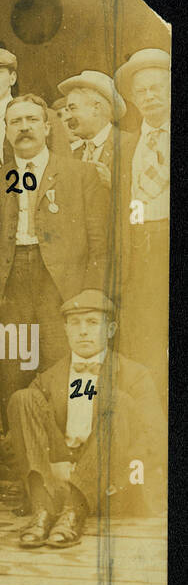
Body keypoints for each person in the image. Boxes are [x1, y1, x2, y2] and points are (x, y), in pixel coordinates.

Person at [8, 291, 162, 549]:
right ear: (66, 329)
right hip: (57, 483)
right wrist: (53, 466)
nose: (83, 331)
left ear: (111, 329)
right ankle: (43, 511)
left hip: (110, 486)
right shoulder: (48, 378)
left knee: (118, 401)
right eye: (75, 323)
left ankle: (73, 512)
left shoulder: (136, 375)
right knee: (22, 398)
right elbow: (24, 436)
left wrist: (98, 477)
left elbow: (155, 440)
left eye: (92, 323)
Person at [0, 93, 110, 400]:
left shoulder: (80, 174)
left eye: (32, 120)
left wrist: (90, 293)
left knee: (59, 361)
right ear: (6, 131)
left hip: (60, 282)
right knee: (13, 365)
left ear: (46, 128)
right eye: (16, 122)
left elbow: (99, 242)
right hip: (11, 279)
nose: (24, 127)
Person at [115, 47, 170, 389]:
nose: (149, 97)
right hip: (141, 254)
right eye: (141, 91)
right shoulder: (128, 147)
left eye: (156, 88)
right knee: (146, 345)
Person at [57, 70, 133, 187]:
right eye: (67, 110)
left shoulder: (129, 145)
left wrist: (113, 185)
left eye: (73, 108)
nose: (67, 117)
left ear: (96, 108)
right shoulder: (74, 153)